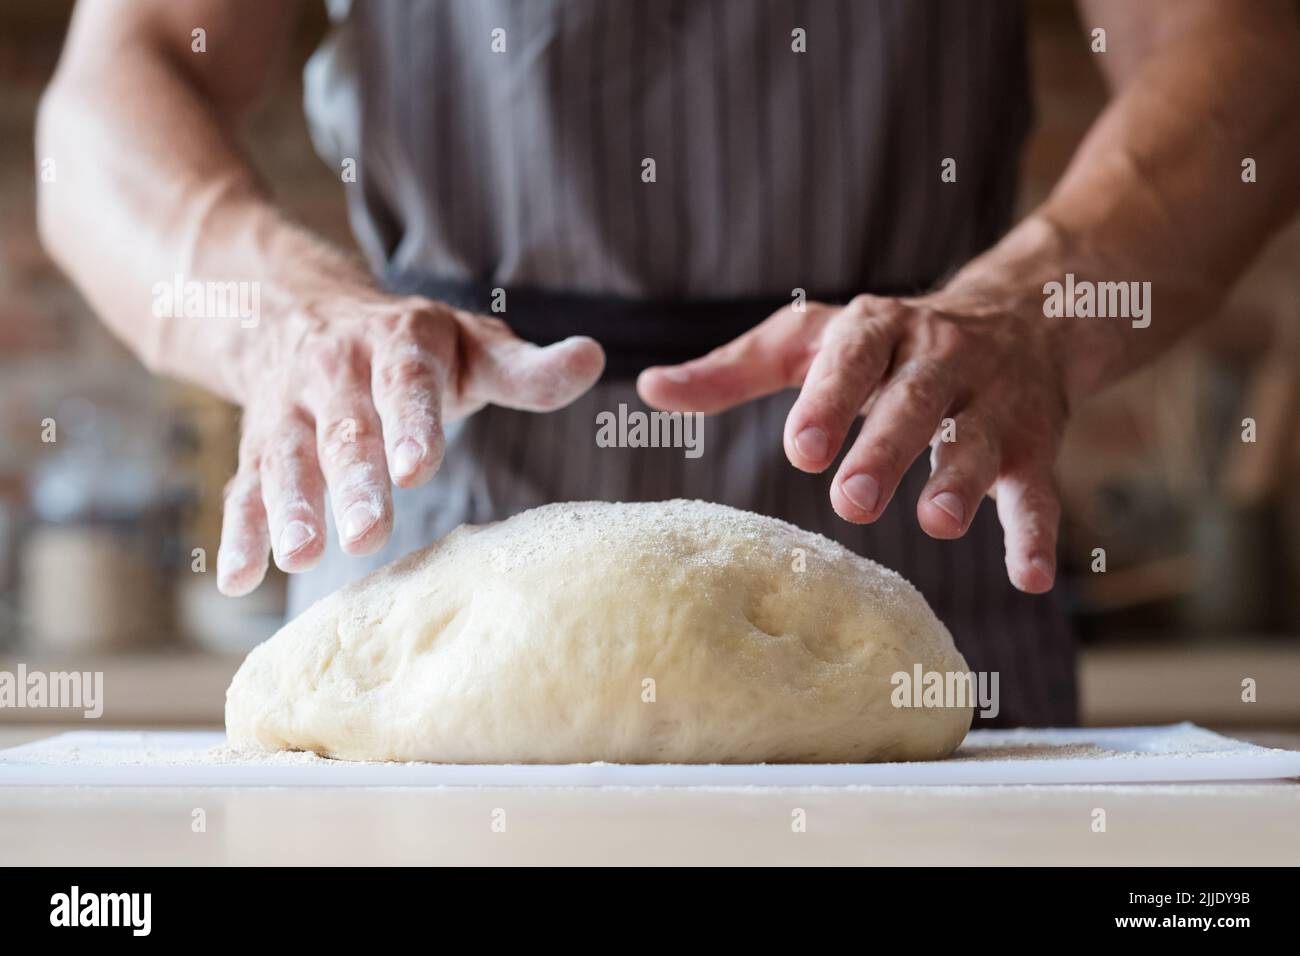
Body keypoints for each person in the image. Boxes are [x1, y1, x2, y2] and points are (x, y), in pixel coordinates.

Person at [37, 0, 1300, 727]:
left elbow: (1245, 56)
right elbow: (112, 92)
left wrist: (1024, 311)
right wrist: (284, 319)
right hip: (436, 547)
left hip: (907, 509)